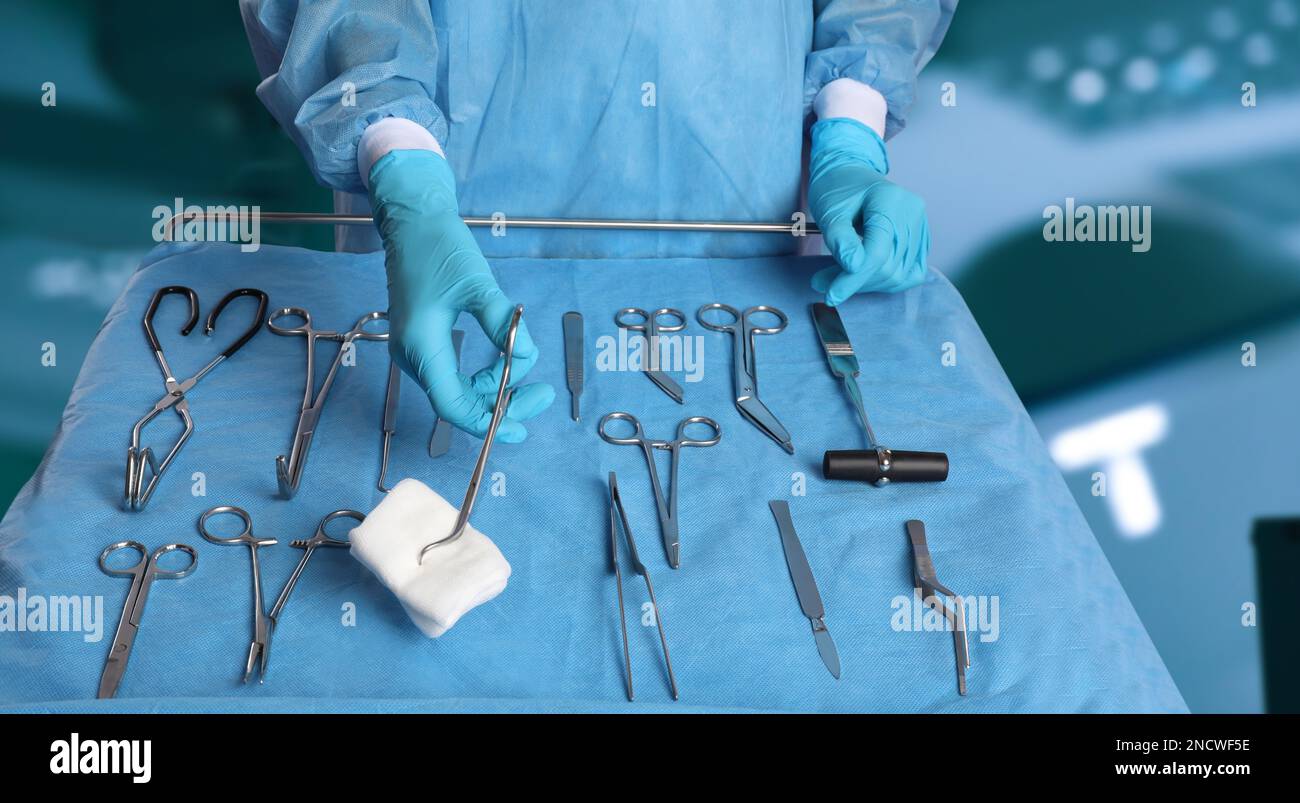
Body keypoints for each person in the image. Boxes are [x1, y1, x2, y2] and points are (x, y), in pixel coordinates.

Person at [241, 1, 956, 442]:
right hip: (450, 196)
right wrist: (401, 170)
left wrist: (852, 124)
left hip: (736, 194)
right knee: (402, 452)